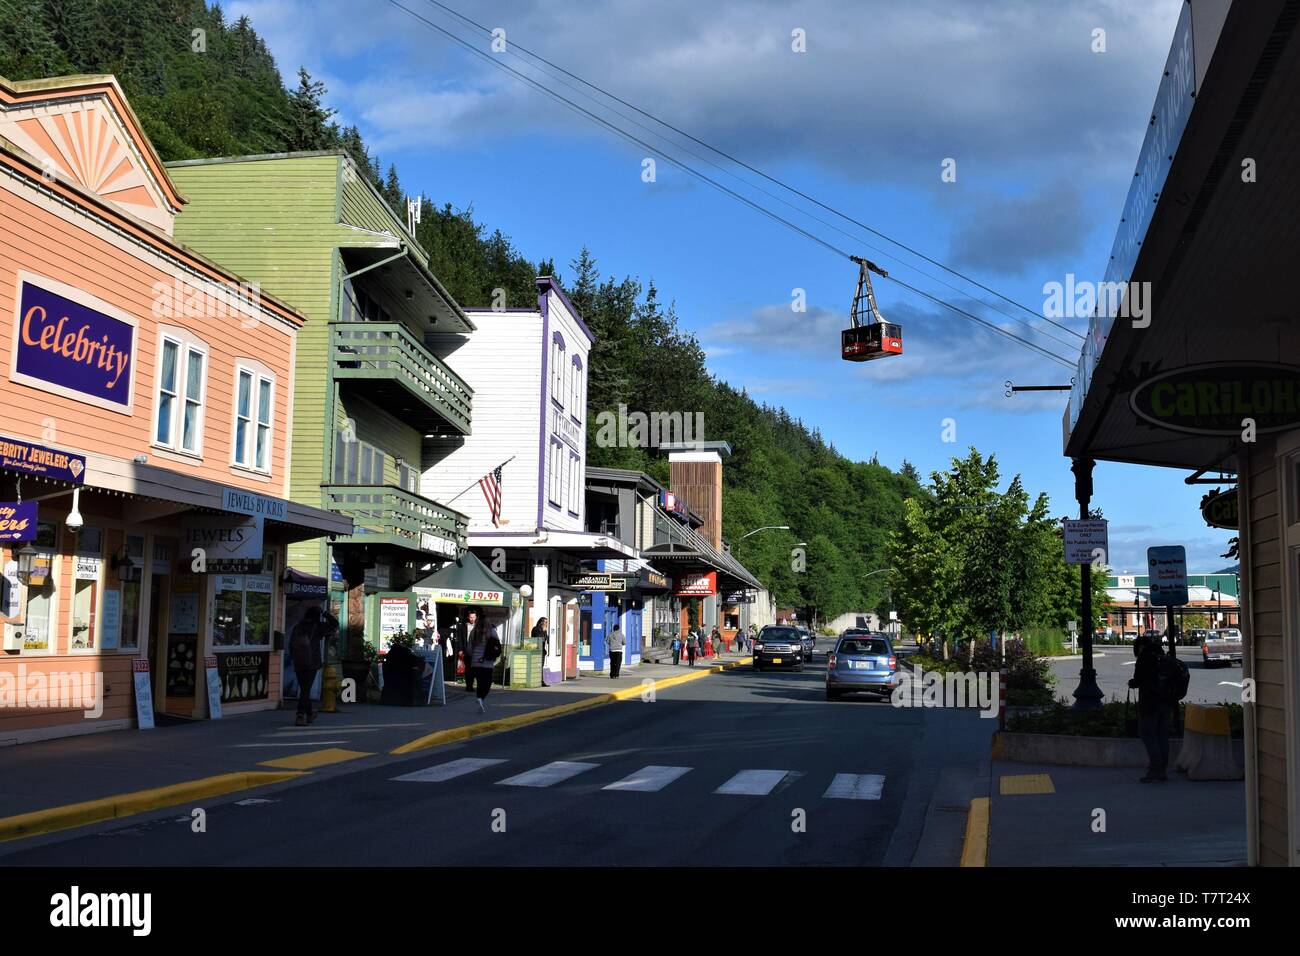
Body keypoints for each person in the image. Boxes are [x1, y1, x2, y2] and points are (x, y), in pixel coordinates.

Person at [1129, 634, 1171, 782]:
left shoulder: (1144, 658)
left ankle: (1155, 769)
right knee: (1162, 736)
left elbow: (1138, 680)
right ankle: (1163, 771)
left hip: (1150, 703)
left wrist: (1132, 683)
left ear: (1140, 647)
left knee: (1148, 735)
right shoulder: (1163, 657)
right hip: (1166, 701)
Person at [289, 607, 322, 726]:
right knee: (305, 690)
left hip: (299, 662)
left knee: (304, 689)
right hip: (312, 663)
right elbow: (335, 624)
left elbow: (291, 644)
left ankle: (309, 714)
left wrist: (294, 658)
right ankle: (300, 715)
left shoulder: (298, 627)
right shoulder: (317, 627)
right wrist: (325, 613)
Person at [465, 610, 503, 713]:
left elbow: (469, 648)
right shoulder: (492, 631)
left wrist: (473, 656)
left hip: (475, 662)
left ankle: (479, 698)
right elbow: (497, 645)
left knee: (480, 682)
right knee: (487, 684)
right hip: (487, 662)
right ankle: (480, 698)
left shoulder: (473, 632)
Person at [531, 616, 549, 685]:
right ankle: (538, 681)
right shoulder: (536, 629)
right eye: (545, 622)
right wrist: (543, 632)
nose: (546, 624)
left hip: (542, 651)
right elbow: (540, 639)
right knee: (537, 665)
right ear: (541, 622)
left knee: (541, 666)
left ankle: (541, 681)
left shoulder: (544, 630)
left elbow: (546, 640)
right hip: (536, 650)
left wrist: (544, 632)